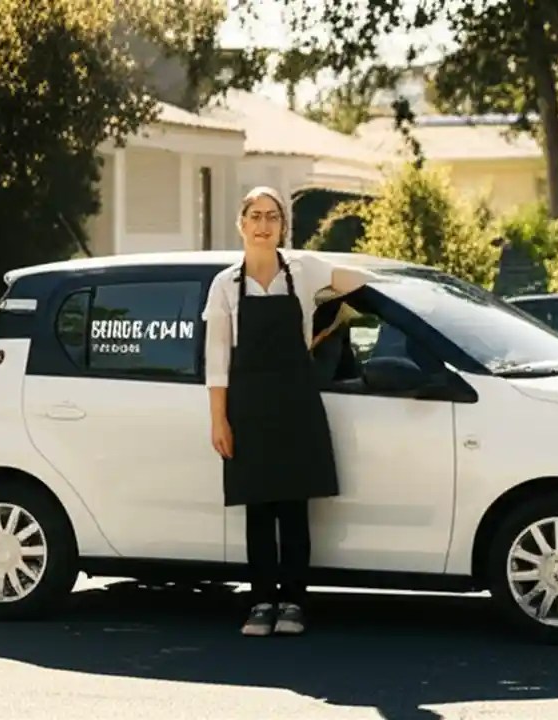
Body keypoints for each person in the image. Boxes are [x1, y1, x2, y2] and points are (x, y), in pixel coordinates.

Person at [202, 186, 373, 637]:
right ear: (241, 224)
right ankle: (261, 602)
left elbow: (359, 281)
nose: (262, 225)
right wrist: (219, 419)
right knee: (259, 512)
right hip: (248, 410)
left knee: (295, 512)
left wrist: (323, 286)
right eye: (255, 216)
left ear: (282, 226)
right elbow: (217, 359)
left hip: (296, 407)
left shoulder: (303, 273)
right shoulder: (224, 285)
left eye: (272, 217)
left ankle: (294, 603)